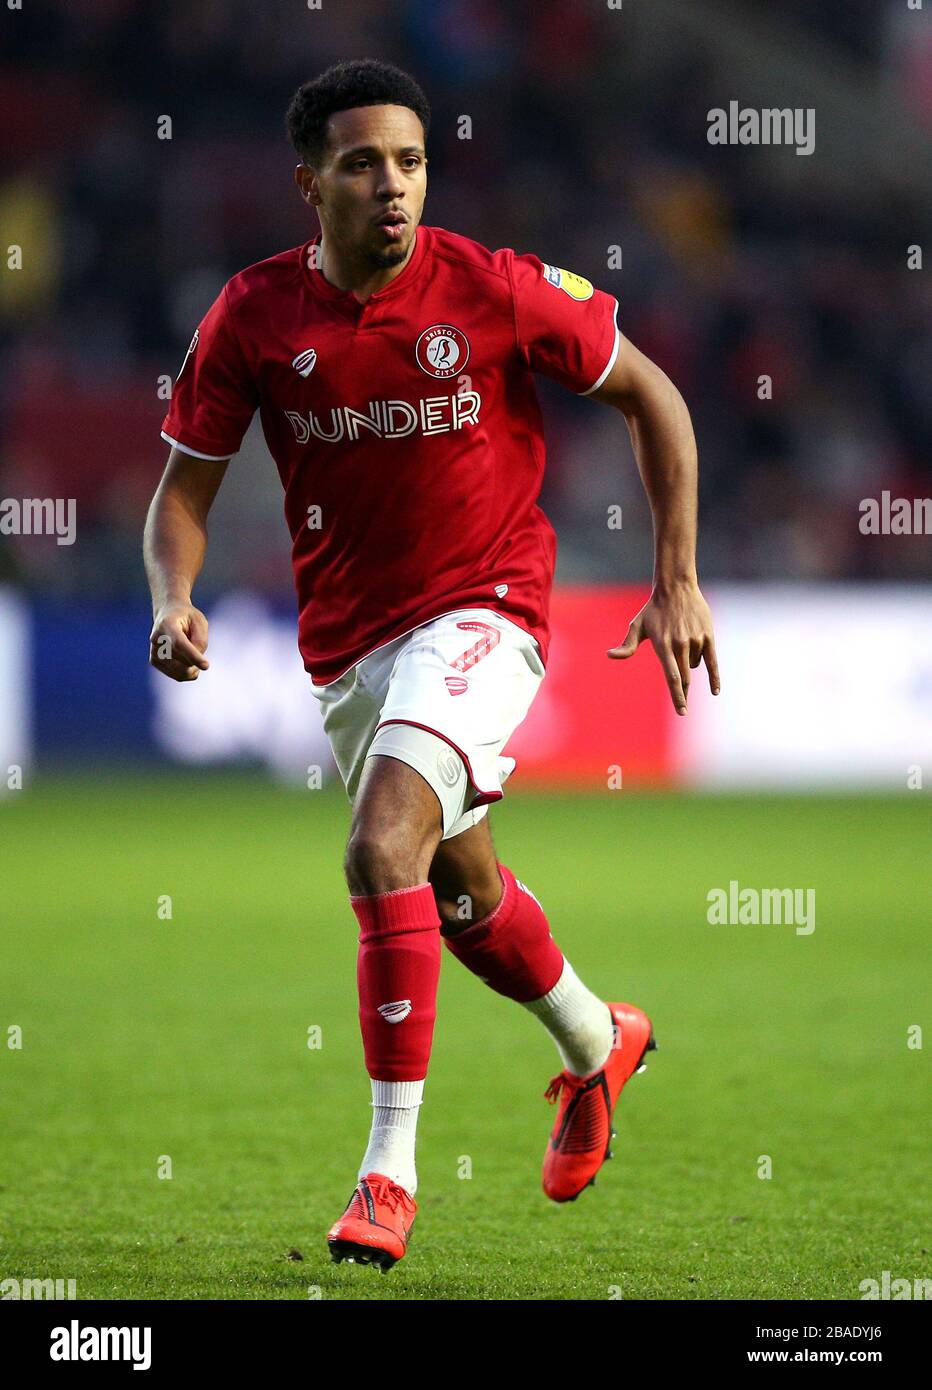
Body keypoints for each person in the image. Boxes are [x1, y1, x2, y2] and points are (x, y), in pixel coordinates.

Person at [144, 58, 719, 1272]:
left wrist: (672, 576)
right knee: (459, 901)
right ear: (310, 185)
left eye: (408, 160)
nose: (392, 184)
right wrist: (173, 595)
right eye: (362, 164)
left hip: (485, 611)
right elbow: (181, 492)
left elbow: (653, 396)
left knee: (375, 845)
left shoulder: (497, 289)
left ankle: (386, 1176)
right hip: (350, 647)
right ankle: (596, 1038)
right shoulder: (252, 316)